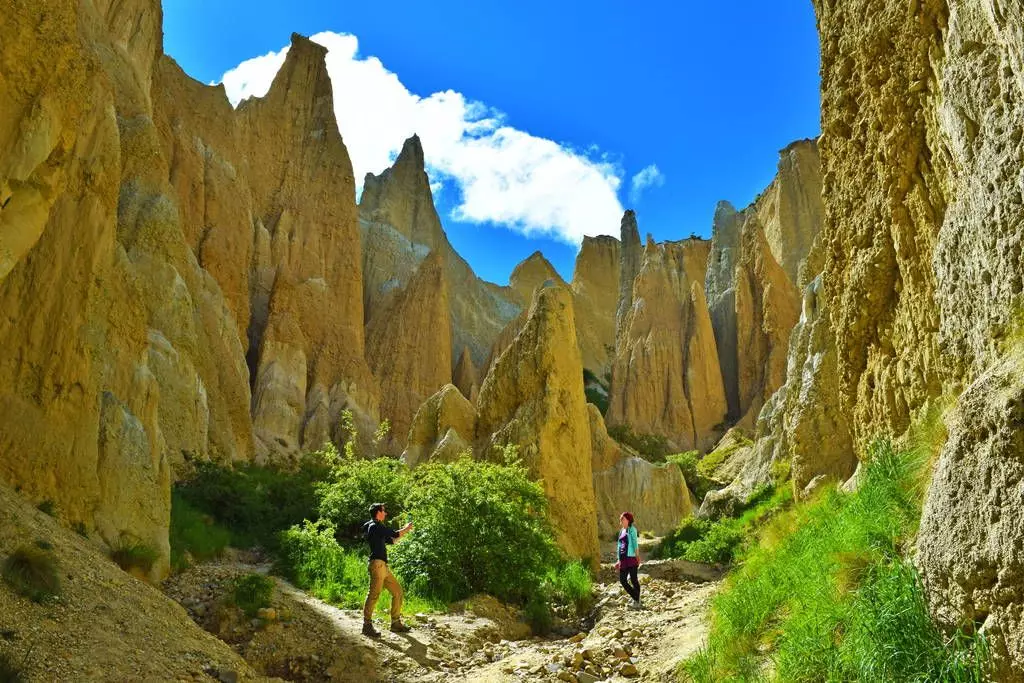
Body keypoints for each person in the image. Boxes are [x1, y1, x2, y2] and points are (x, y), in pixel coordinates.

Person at [362, 502, 414, 637]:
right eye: (383, 511)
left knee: (397, 591)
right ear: (378, 512)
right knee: (374, 594)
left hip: (383, 566)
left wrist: (403, 533)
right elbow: (395, 534)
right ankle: (367, 625)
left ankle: (395, 623)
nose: (385, 513)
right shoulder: (375, 526)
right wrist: (407, 528)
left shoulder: (377, 528)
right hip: (377, 565)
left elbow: (392, 540)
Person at [614, 511, 642, 609]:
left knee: (634, 580)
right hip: (623, 559)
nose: (621, 520)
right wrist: (618, 560)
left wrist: (637, 556)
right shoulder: (621, 531)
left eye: (623, 519)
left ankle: (637, 601)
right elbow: (619, 546)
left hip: (631, 558)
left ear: (628, 520)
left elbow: (635, 544)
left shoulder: (632, 530)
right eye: (620, 519)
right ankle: (636, 597)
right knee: (623, 580)